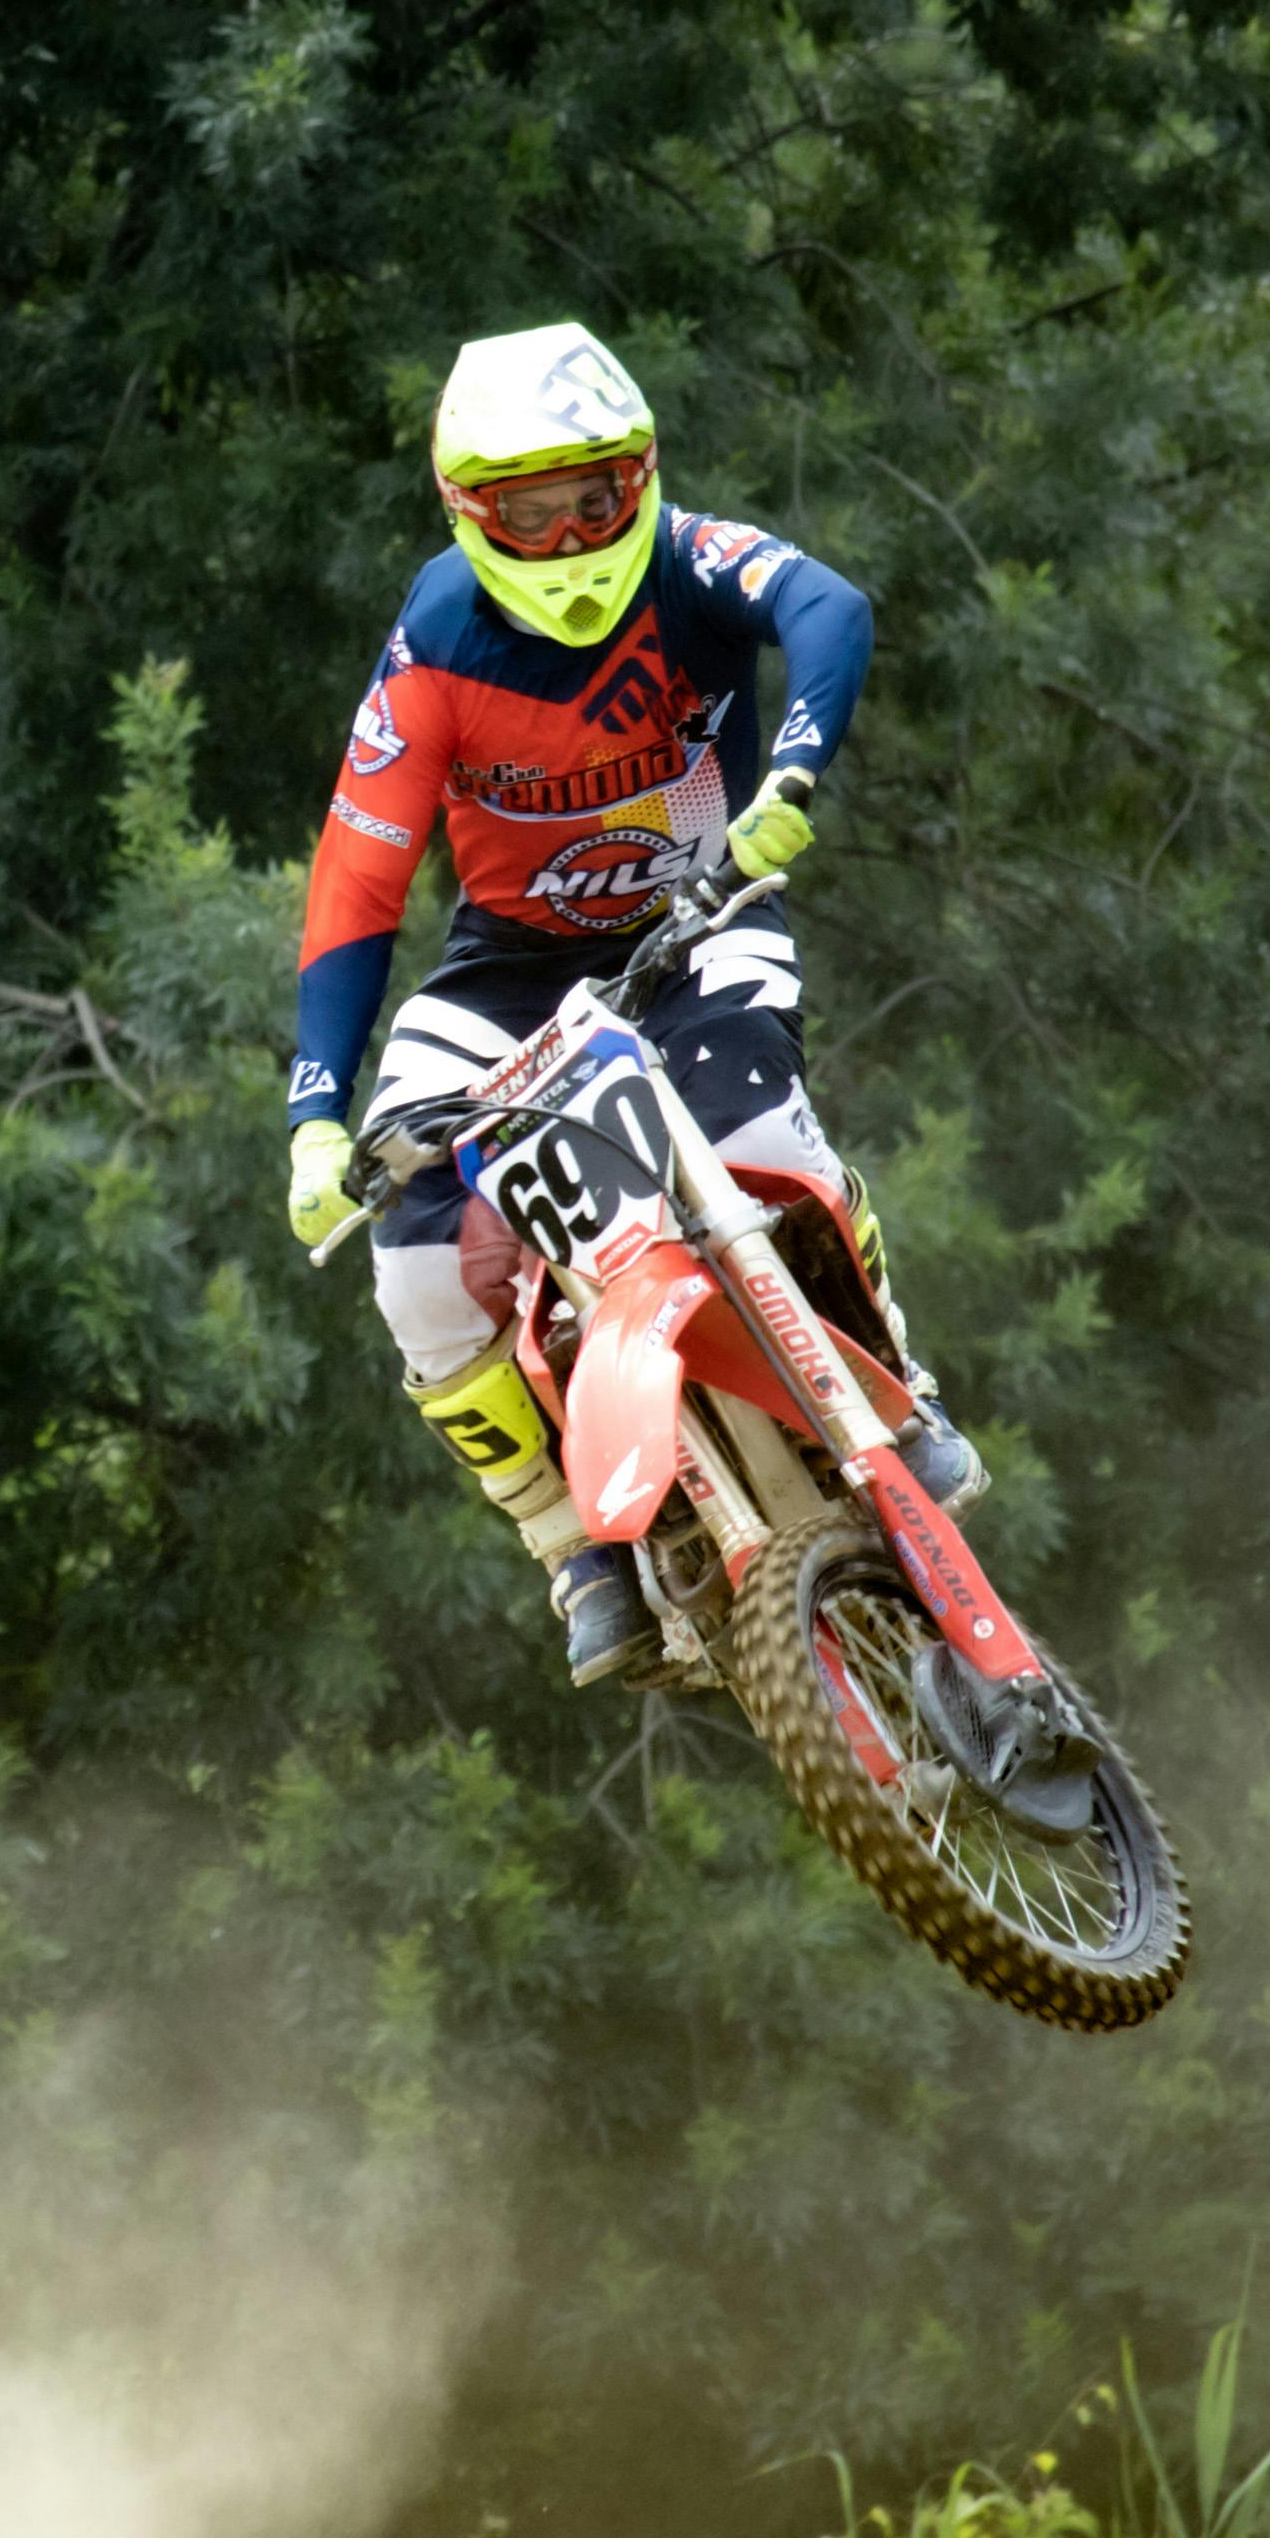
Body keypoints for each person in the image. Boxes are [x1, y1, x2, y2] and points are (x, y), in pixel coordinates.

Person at [284, 320, 979, 1685]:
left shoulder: (685, 558)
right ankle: (575, 1550)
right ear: (471, 515)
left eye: (591, 498)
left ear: (640, 478)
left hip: (699, 912)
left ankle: (891, 1369)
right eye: (527, 513)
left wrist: (790, 776)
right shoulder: (435, 638)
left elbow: (829, 606)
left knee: (764, 1143)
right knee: (413, 1267)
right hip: (509, 965)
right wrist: (316, 1116)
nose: (566, 538)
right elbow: (358, 876)